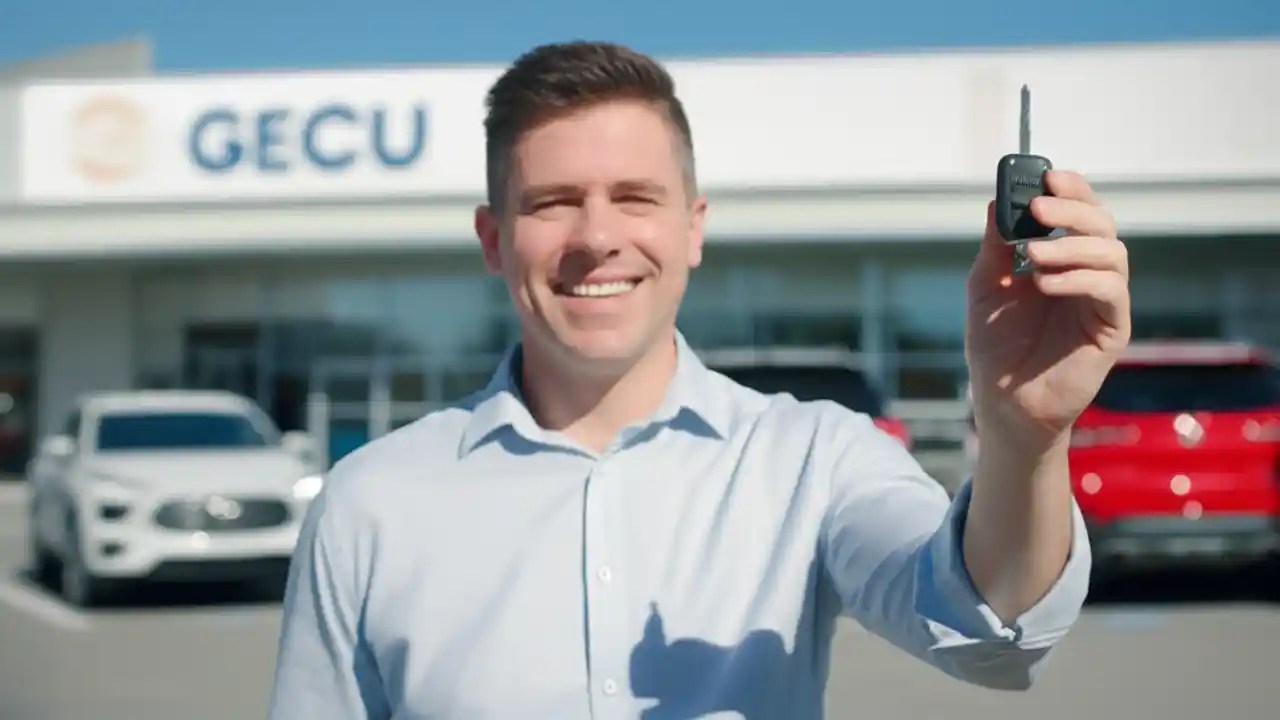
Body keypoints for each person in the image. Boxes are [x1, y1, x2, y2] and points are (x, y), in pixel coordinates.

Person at [268, 40, 1131, 719]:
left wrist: (1024, 437)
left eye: (635, 197)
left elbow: (991, 633)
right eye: (553, 201)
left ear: (694, 228)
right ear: (494, 240)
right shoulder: (370, 503)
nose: (596, 237)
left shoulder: (813, 459)